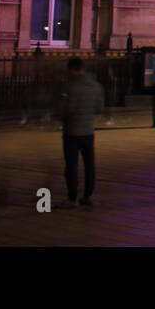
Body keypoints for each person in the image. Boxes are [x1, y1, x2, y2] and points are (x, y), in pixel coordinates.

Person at [57, 57, 105, 207]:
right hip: (88, 131)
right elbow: (99, 109)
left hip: (72, 131)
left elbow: (67, 109)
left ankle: (72, 198)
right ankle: (88, 195)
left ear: (72, 69)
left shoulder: (70, 87)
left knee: (71, 165)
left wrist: (60, 116)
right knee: (89, 164)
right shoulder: (96, 86)